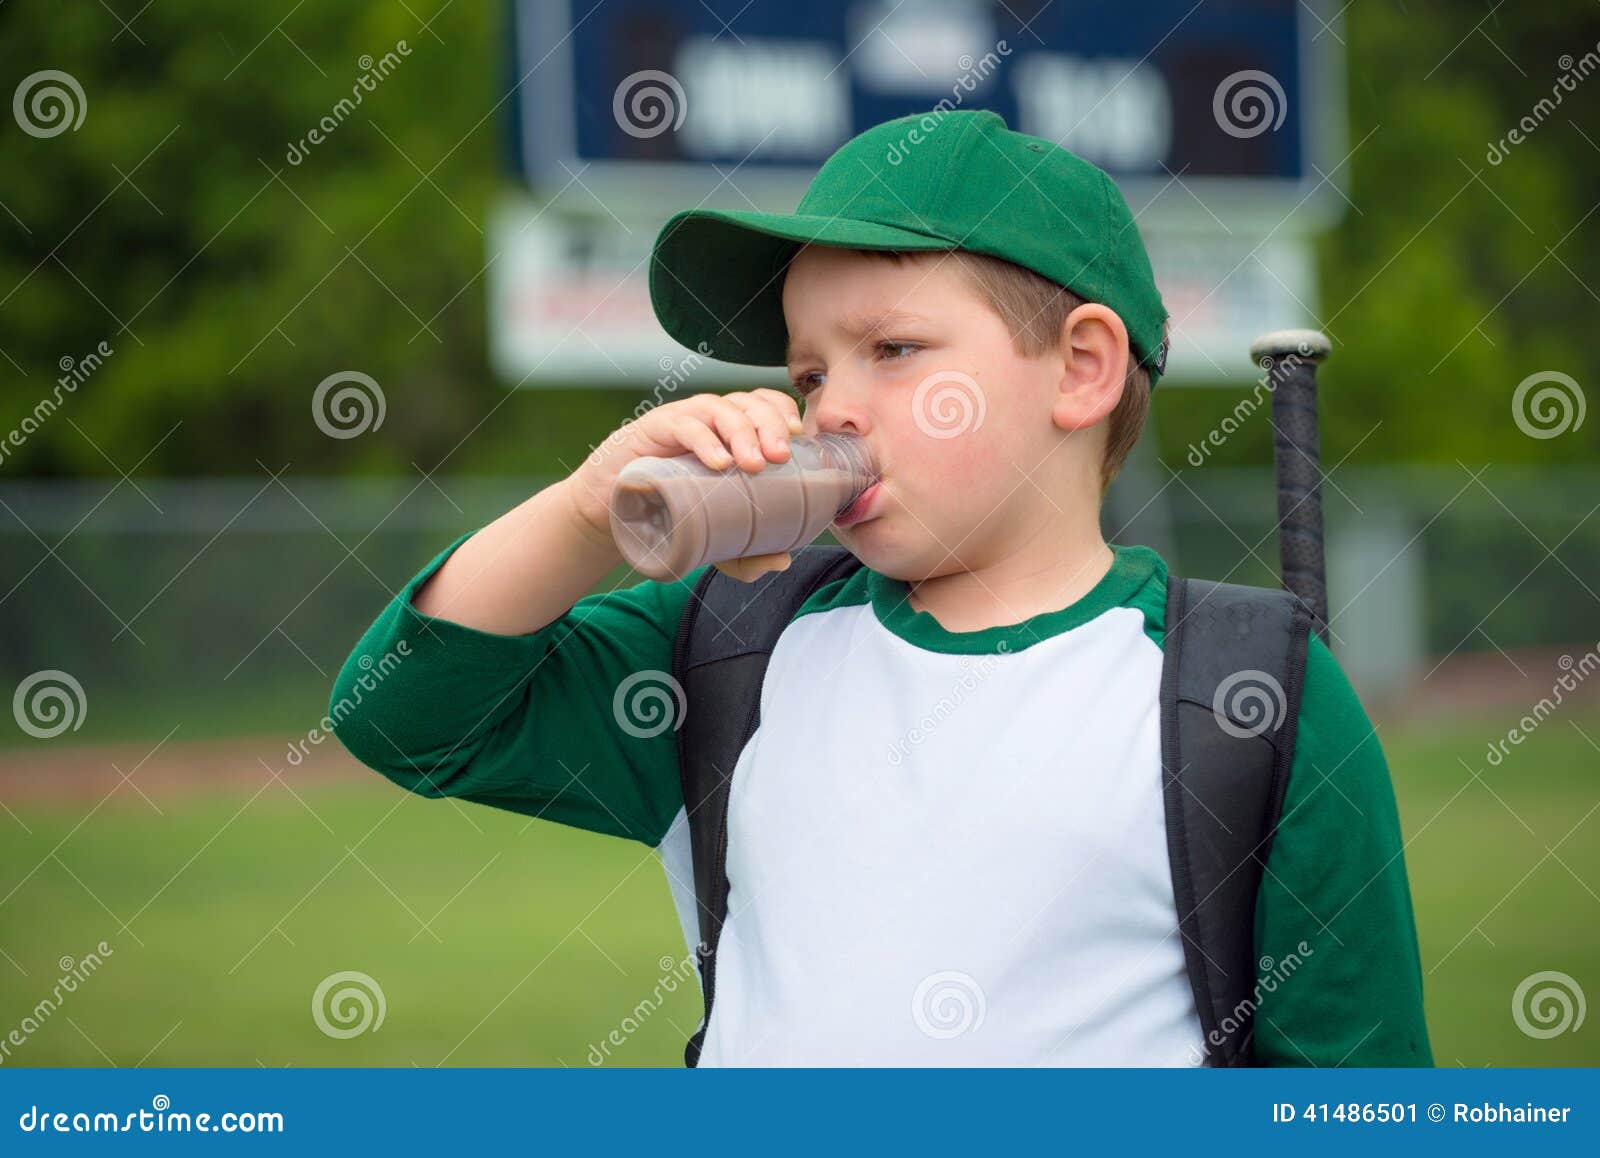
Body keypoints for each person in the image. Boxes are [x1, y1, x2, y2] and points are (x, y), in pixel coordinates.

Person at [329, 109, 1432, 1067]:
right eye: (809, 371)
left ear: (1082, 368)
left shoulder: (1243, 691)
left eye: (892, 349)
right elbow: (404, 714)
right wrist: (584, 511)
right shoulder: (726, 646)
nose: (829, 408)